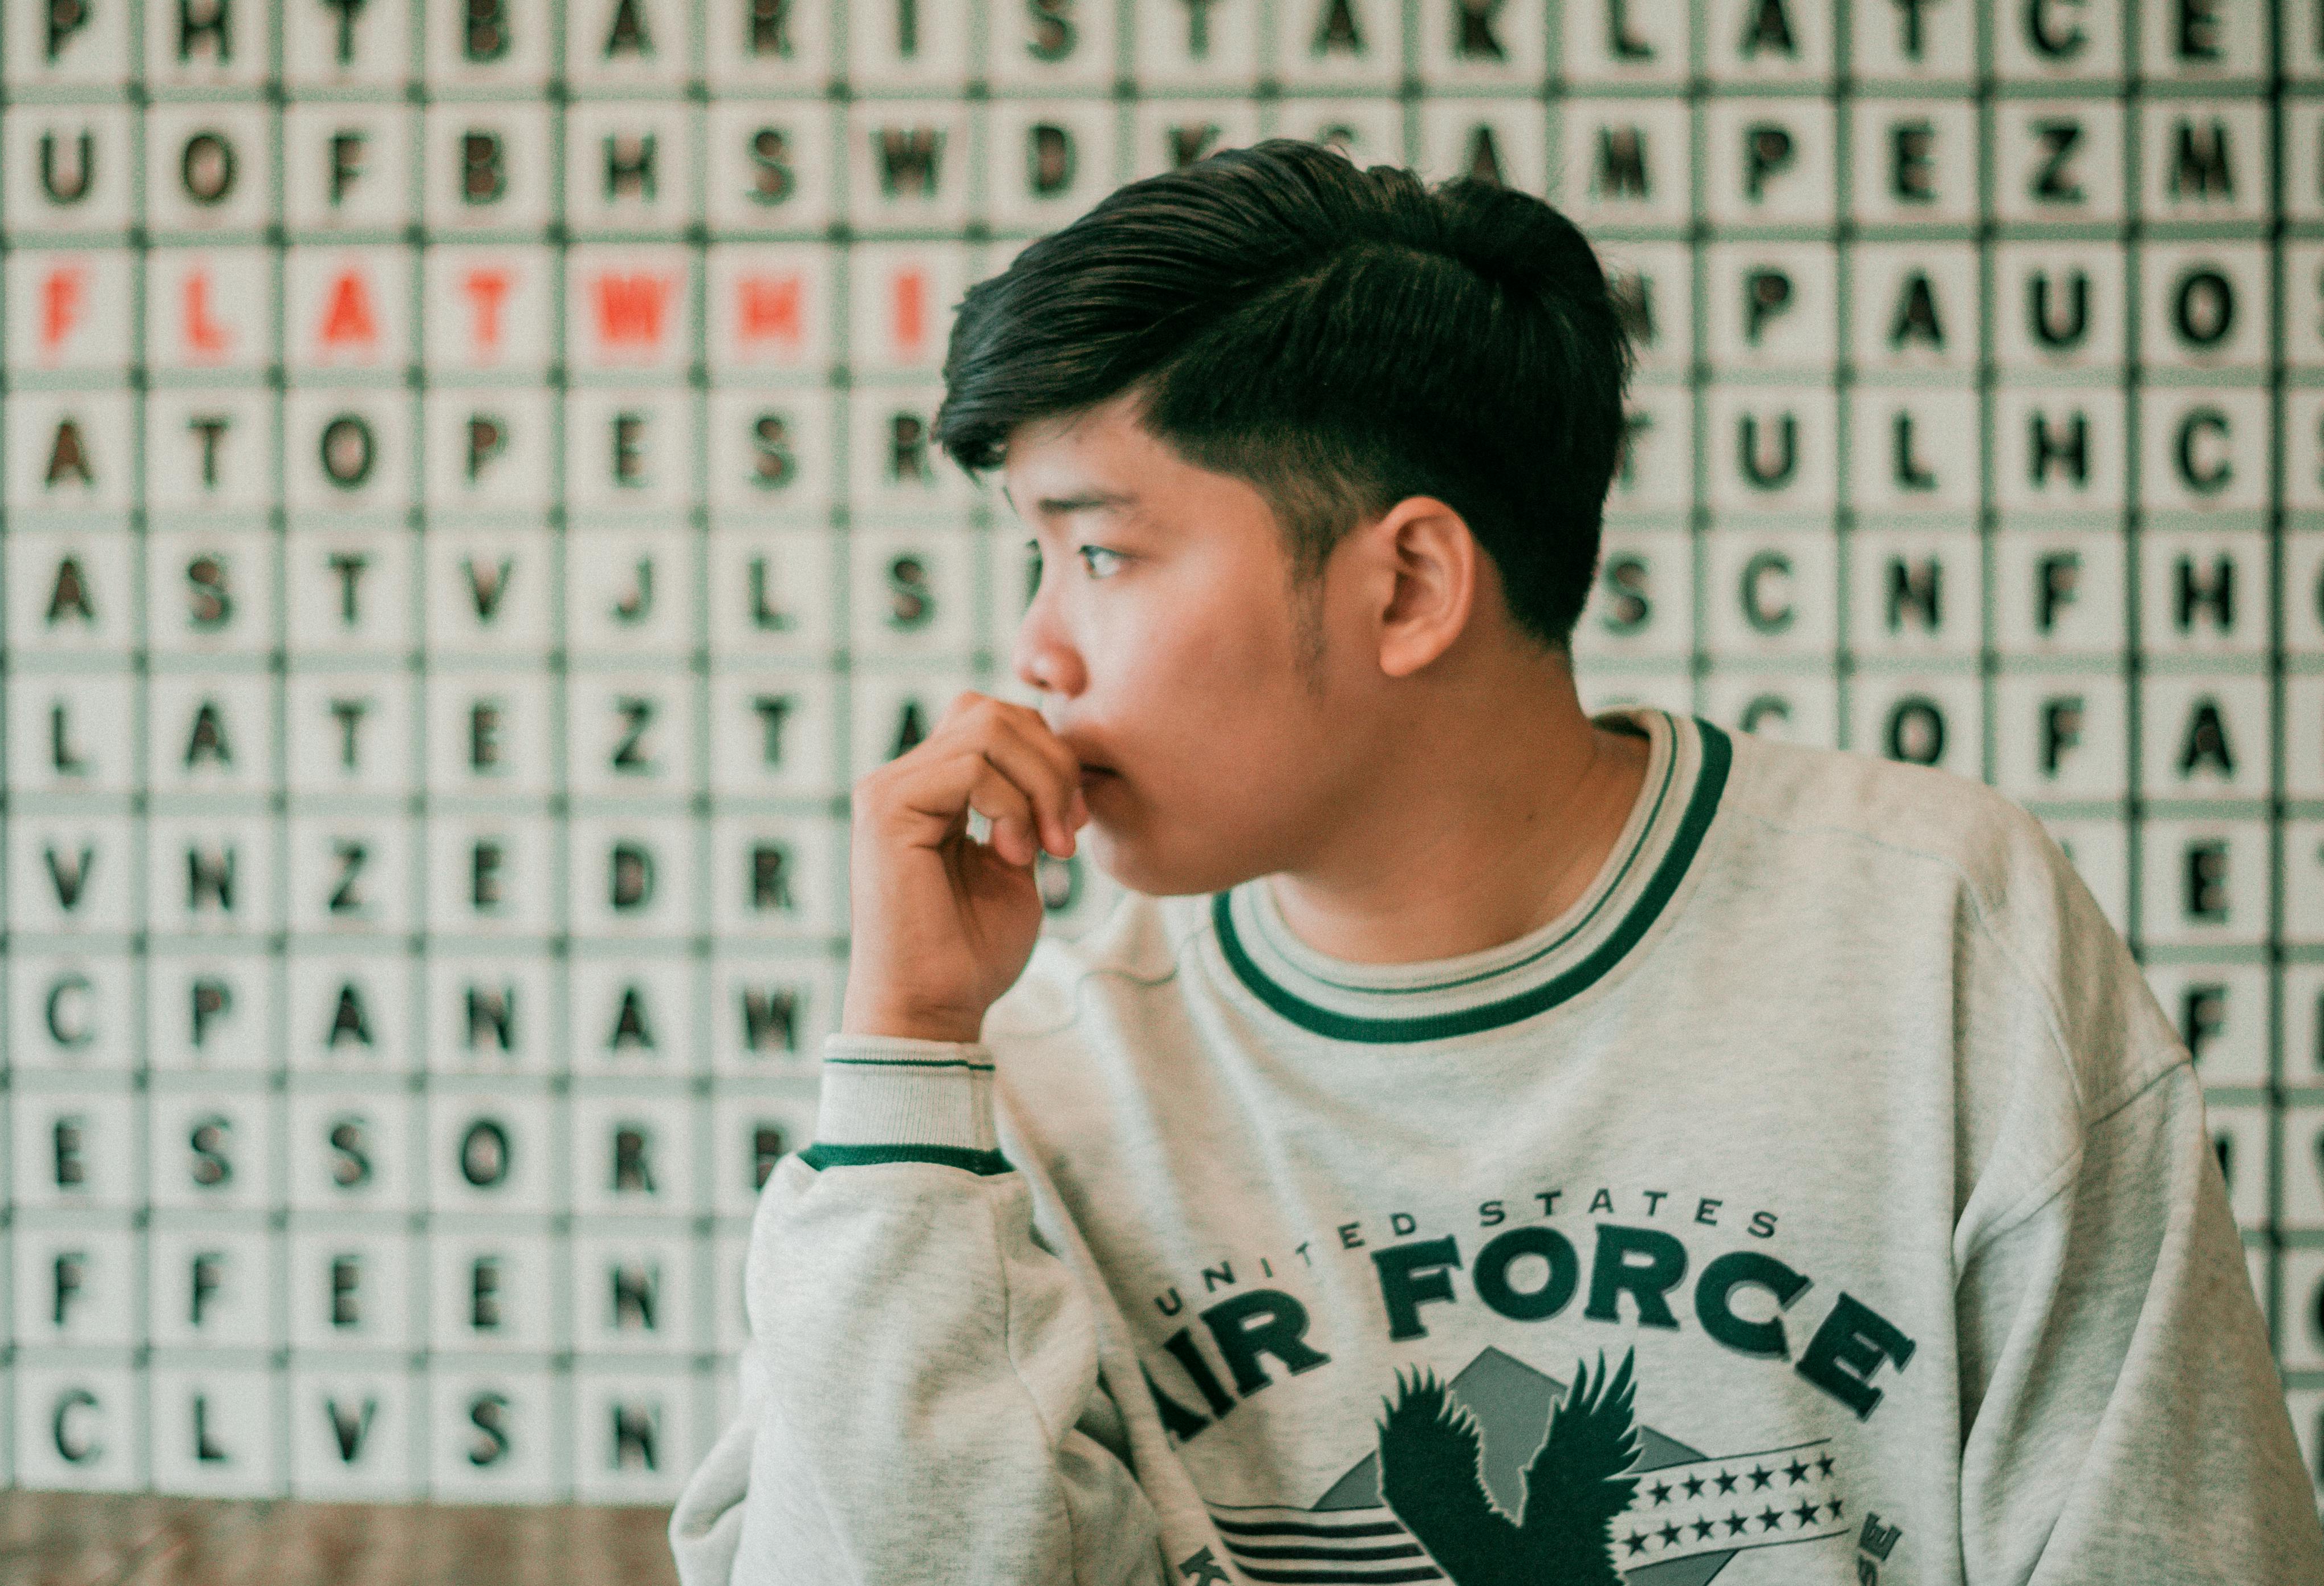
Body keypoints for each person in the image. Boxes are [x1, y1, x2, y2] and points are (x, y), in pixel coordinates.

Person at [669, 139, 2324, 1584]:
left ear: (1408, 587)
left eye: (1098, 551)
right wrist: (899, 1067)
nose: (1035, 650)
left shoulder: (1936, 931)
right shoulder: (1000, 1091)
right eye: (1035, 557)